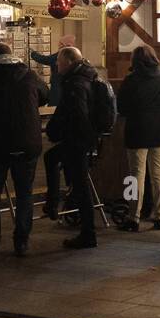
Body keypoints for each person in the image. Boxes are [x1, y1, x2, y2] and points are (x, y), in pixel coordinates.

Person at [0, 43, 49, 258]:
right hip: (26, 143)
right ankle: (21, 242)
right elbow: (45, 95)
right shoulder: (29, 75)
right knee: (25, 194)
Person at [46, 47, 103, 250]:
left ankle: (87, 232)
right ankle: (54, 202)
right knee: (75, 179)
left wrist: (56, 132)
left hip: (77, 141)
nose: (56, 66)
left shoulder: (75, 84)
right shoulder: (88, 77)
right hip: (86, 140)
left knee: (80, 186)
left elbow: (74, 114)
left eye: (59, 62)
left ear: (69, 62)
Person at [116, 46, 160, 232]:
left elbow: (122, 107)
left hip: (137, 131)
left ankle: (133, 217)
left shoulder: (131, 80)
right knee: (158, 174)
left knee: (134, 176)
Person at [30, 34, 76, 107]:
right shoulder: (75, 55)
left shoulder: (61, 55)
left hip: (58, 86)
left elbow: (45, 59)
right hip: (66, 88)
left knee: (54, 106)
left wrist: (33, 54)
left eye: (61, 43)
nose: (59, 45)